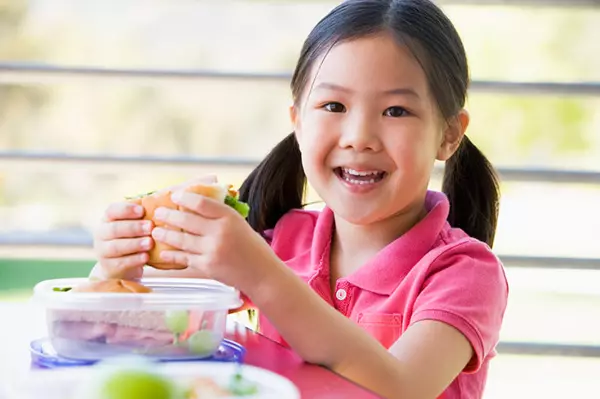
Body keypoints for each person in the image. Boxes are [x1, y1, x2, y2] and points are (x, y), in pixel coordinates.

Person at [90, 1, 509, 398]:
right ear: (298, 123)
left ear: (450, 134)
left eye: (396, 111)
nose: (359, 136)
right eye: (333, 105)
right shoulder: (285, 241)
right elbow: (128, 322)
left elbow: (401, 386)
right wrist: (117, 268)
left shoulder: (465, 274)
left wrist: (262, 274)